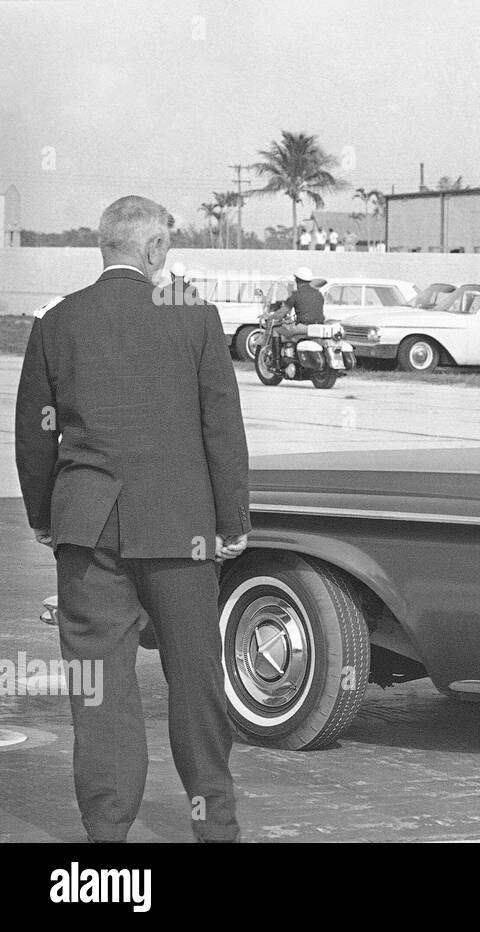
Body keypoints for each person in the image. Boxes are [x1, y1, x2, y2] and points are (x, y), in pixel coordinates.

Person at [14, 195, 250, 842]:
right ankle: (215, 826)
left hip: (88, 536)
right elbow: (221, 429)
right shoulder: (197, 319)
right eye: (166, 248)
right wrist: (232, 522)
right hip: (183, 531)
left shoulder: (56, 323)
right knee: (196, 684)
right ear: (151, 250)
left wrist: (44, 517)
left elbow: (36, 435)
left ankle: (108, 838)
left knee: (101, 692)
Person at [269, 266, 326, 339]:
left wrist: (270, 317)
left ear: (297, 280)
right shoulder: (318, 294)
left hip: (303, 327)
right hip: (319, 327)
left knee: (276, 329)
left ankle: (276, 350)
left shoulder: (296, 295)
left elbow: (282, 312)